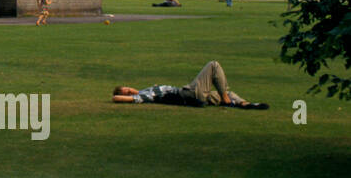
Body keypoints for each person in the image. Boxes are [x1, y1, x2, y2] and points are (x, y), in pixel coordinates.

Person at [112, 60, 268, 109]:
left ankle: (246, 104)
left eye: (127, 87)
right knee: (213, 65)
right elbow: (117, 99)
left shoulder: (144, 90)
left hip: (195, 96)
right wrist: (121, 96)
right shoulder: (143, 95)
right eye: (126, 91)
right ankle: (227, 100)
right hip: (188, 94)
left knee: (226, 93)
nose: (129, 90)